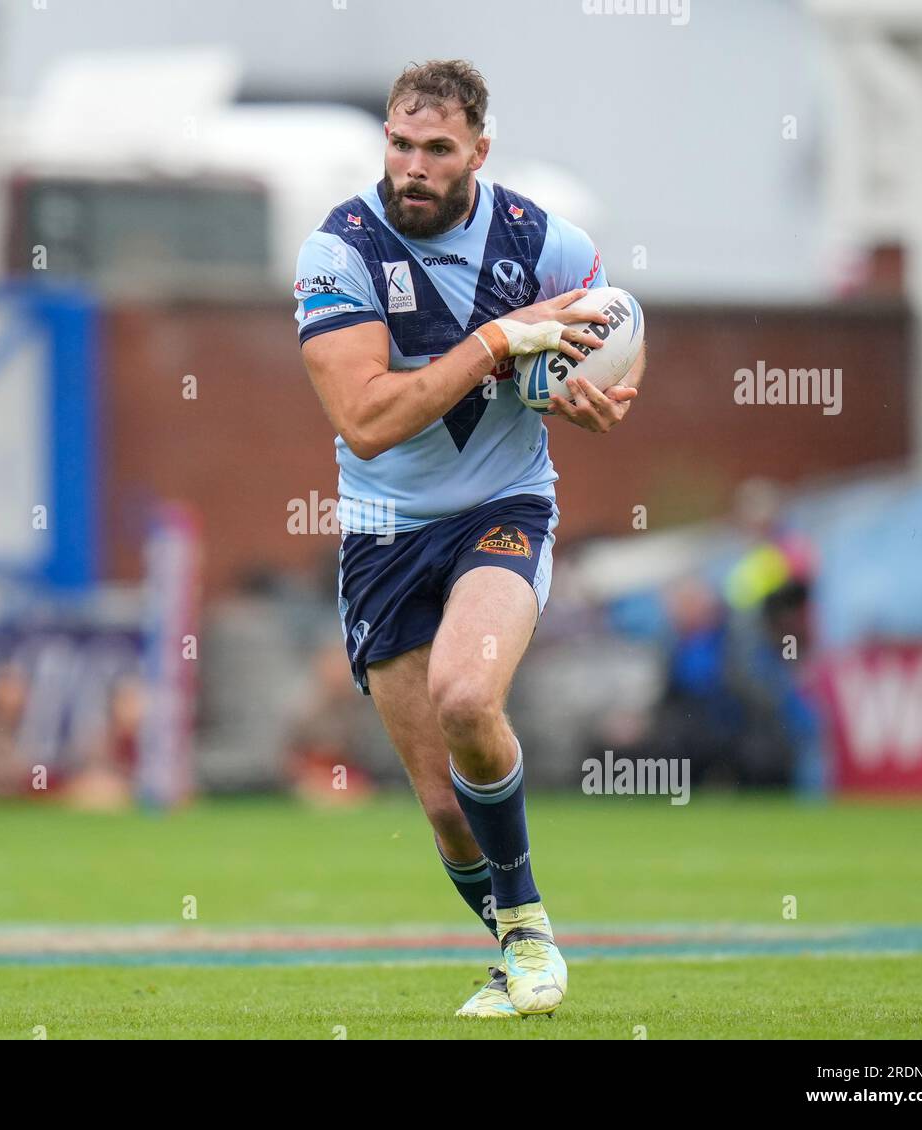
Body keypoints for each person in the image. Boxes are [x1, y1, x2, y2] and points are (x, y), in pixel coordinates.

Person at [293, 59, 646, 1017]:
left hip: (503, 507)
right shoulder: (340, 253)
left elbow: (613, 343)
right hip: (381, 531)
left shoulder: (548, 244)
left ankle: (530, 941)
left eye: (436, 149)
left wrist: (593, 397)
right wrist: (499, 343)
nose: (413, 166)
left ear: (477, 153)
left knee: (464, 692)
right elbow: (368, 420)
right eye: (400, 145)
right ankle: (511, 945)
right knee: (448, 813)